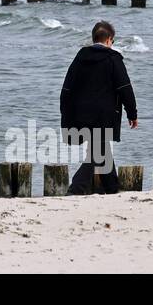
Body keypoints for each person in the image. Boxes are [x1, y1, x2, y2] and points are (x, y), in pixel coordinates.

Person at [60, 21, 138, 195]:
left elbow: (67, 88)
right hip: (103, 115)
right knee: (97, 153)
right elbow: (125, 88)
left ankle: (111, 188)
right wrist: (132, 113)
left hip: (79, 113)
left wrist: (65, 113)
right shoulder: (113, 59)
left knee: (101, 148)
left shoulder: (80, 57)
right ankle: (76, 189)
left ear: (93, 38)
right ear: (109, 39)